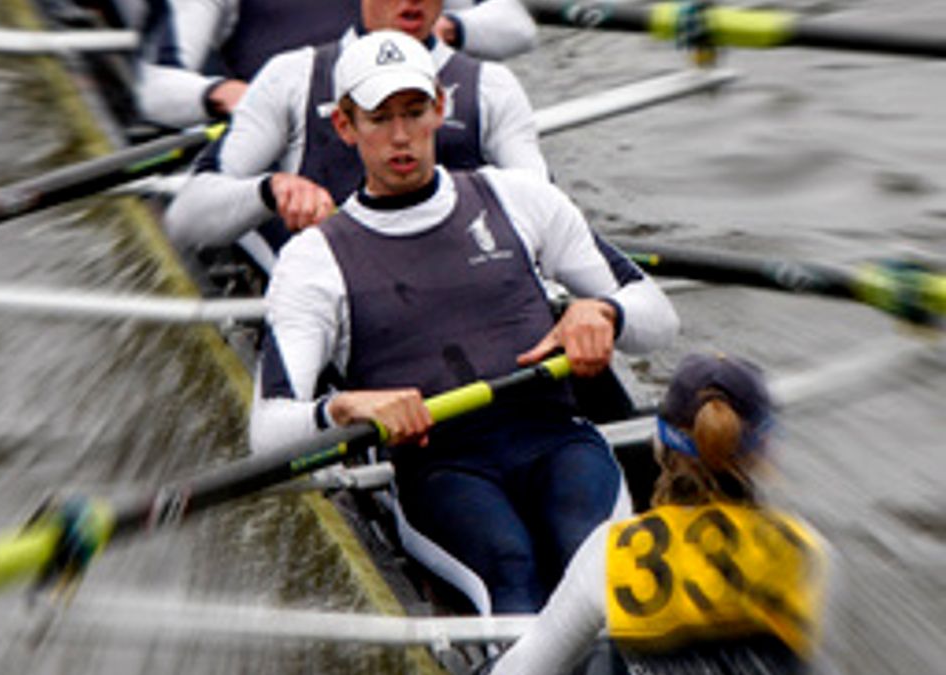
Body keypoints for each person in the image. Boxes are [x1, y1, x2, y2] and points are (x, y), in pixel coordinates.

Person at [248, 32, 679, 615]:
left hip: (559, 442)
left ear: (440, 109)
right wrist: (344, 409)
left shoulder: (519, 198)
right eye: (379, 118)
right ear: (344, 126)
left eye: (414, 112)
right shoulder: (314, 260)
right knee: (513, 575)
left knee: (598, 580)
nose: (401, 136)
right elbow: (268, 432)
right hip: (441, 471)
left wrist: (604, 312)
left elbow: (658, 318)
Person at [492, 353, 836, 674]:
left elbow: (526, 669)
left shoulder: (613, 551)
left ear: (659, 445)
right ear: (765, 449)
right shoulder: (808, 550)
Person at [164, 0, 549, 253]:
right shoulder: (291, 77)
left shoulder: (491, 85)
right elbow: (184, 222)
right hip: (348, 324)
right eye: (381, 118)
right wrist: (269, 191)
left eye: (415, 113)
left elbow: (547, 217)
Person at [139, 0, 538, 128]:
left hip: (419, 124)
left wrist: (444, 27)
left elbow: (517, 26)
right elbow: (153, 87)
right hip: (293, 142)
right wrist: (226, 95)